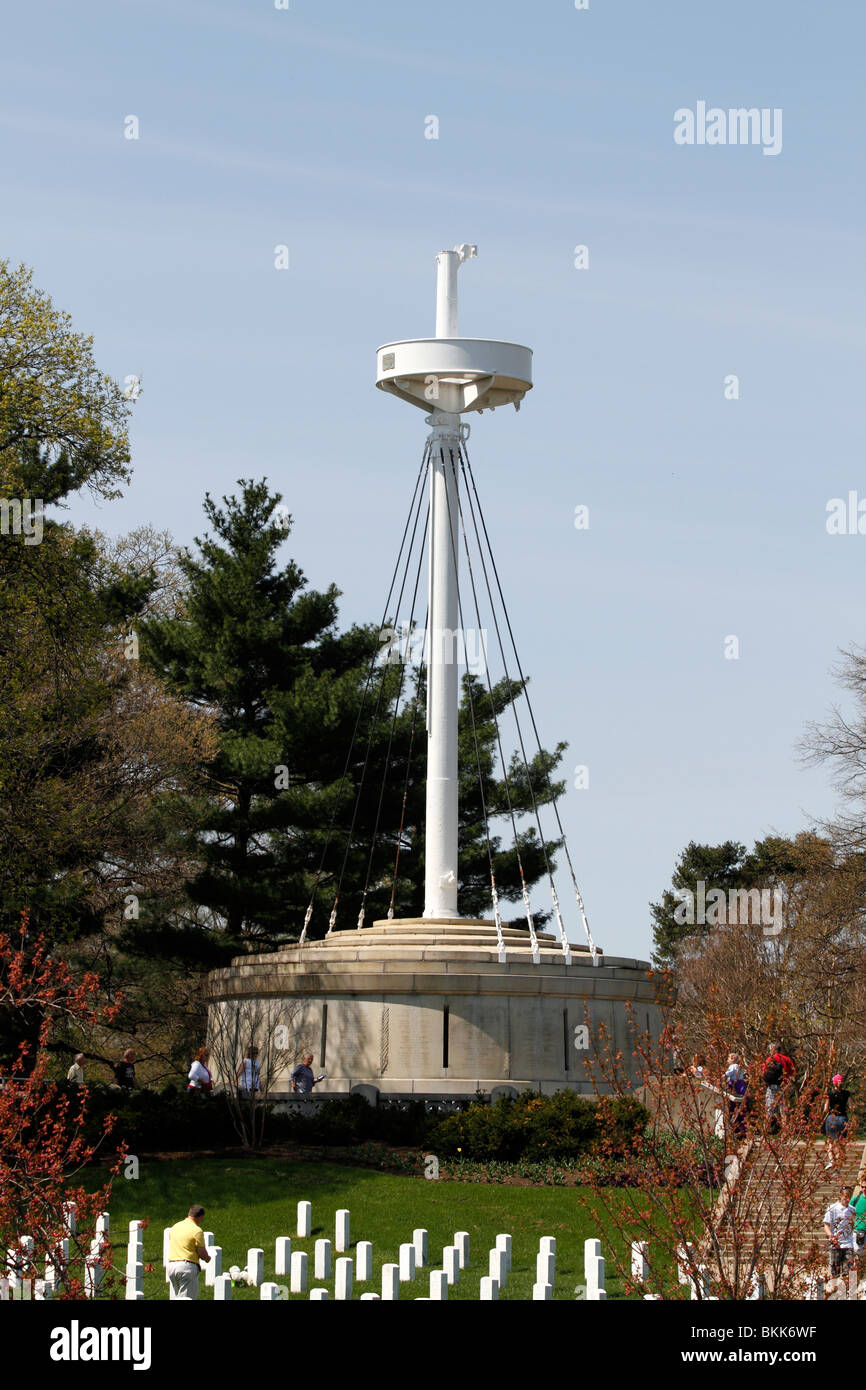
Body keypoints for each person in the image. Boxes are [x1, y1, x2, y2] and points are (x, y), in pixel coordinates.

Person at [167, 1204, 210, 1300]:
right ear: (200, 1217)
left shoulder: (175, 1227)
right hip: (186, 1267)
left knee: (177, 1297)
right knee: (187, 1298)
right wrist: (207, 1258)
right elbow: (201, 1252)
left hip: (172, 1266)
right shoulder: (197, 1230)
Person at [823, 1073, 851, 1170]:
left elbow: (826, 1109)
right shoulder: (847, 1094)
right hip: (843, 1118)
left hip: (832, 1118)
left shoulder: (829, 1094)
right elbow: (851, 1106)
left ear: (834, 1082)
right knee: (841, 1142)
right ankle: (838, 1165)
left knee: (830, 1141)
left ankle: (831, 1161)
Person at [762, 1041, 794, 1120]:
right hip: (783, 1086)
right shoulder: (786, 1059)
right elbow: (792, 1072)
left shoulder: (769, 1059)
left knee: (769, 1110)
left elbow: (763, 1072)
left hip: (771, 1087)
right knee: (783, 1110)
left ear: (773, 1049)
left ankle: (766, 1129)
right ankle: (785, 1130)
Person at [724, 1052, 748, 1138]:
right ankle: (743, 1129)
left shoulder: (733, 1066)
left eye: (729, 1058)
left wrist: (722, 1076)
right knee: (741, 1108)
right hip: (740, 1085)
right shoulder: (739, 1067)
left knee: (733, 1105)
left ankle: (736, 1129)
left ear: (733, 1059)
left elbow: (728, 1073)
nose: (727, 1060)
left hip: (735, 1085)